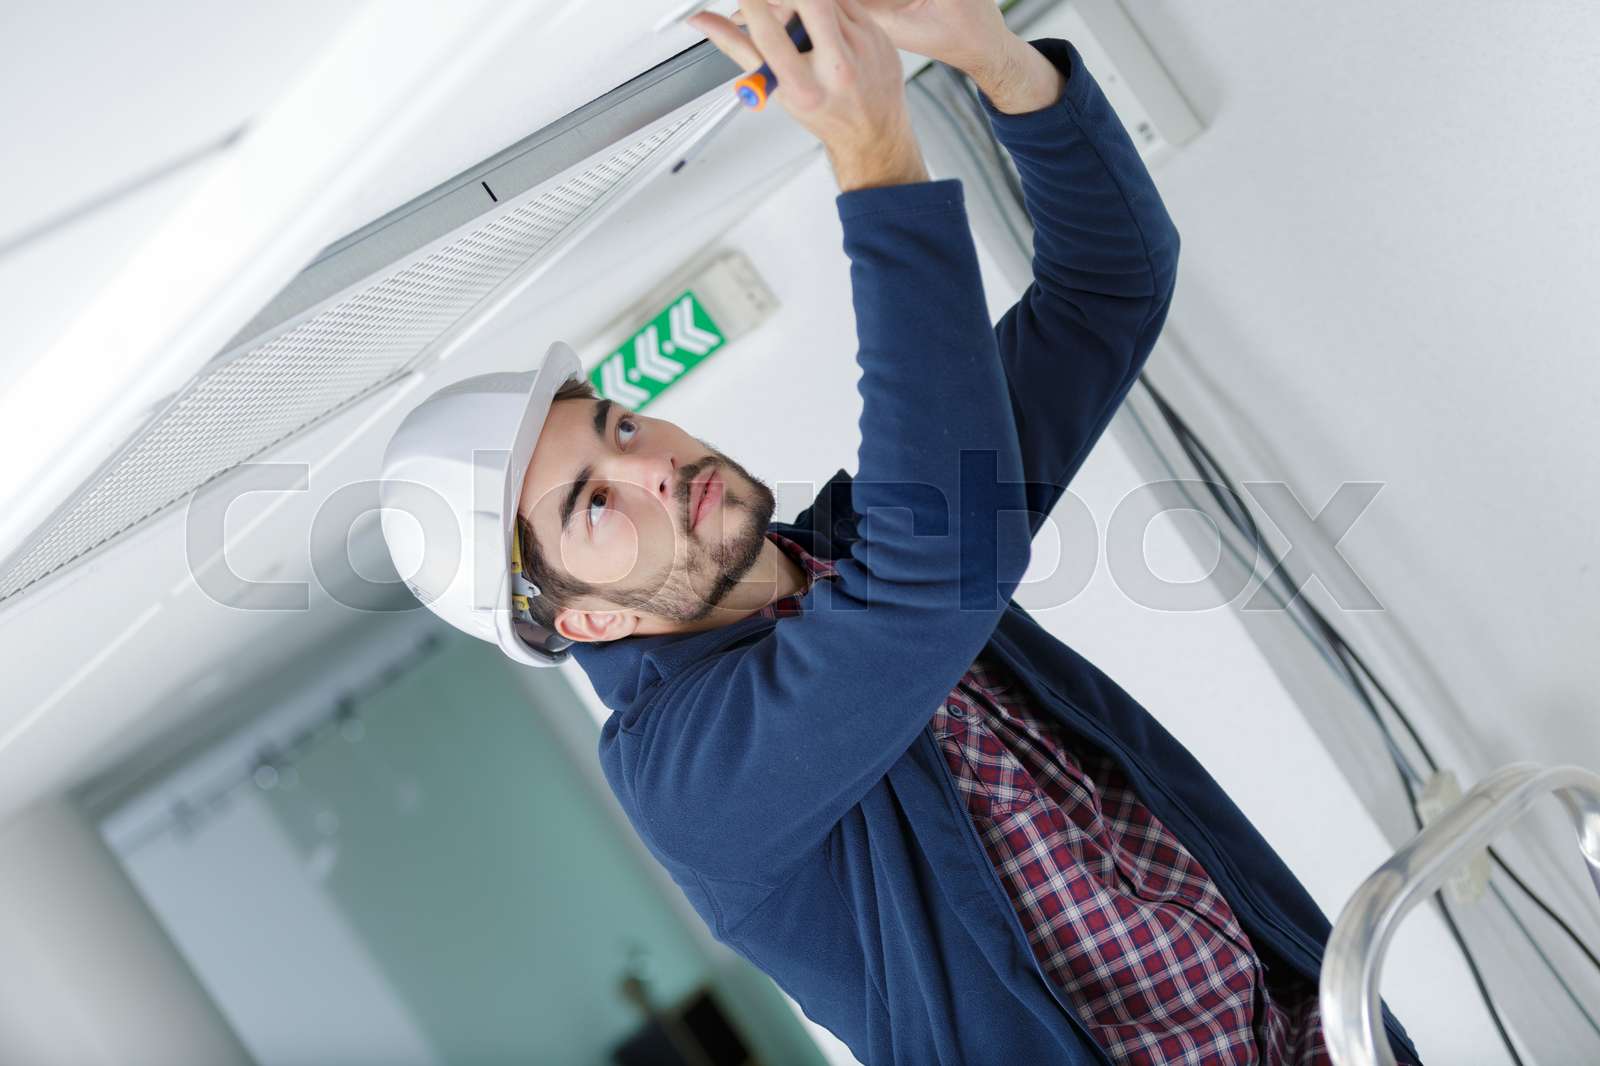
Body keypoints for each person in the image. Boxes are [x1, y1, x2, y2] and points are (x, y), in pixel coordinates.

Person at [379, 1, 1424, 1062]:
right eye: (595, 503)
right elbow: (934, 583)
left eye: (622, 426)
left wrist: (994, 58)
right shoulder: (686, 779)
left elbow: (1104, 293)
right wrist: (873, 151)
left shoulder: (857, 548)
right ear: (589, 617)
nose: (651, 463)